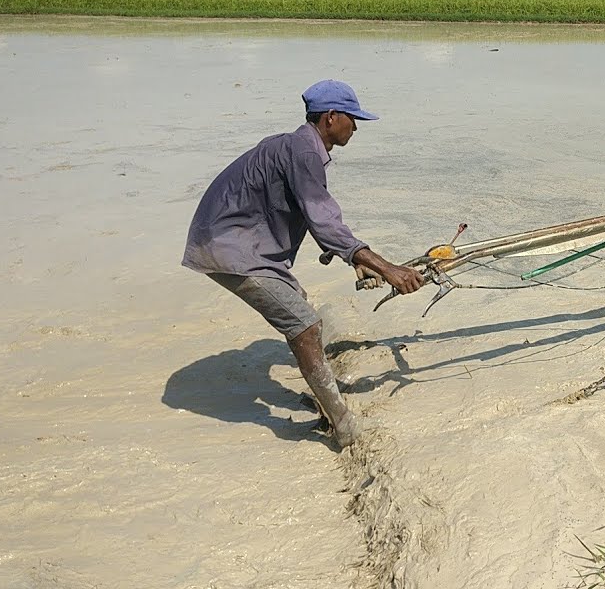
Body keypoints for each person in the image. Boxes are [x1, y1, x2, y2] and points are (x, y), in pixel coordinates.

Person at [182, 79, 424, 449]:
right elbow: (325, 221)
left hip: (239, 243)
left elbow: (306, 212)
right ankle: (343, 426)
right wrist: (388, 268)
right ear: (331, 118)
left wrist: (353, 259)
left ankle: (326, 407)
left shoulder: (296, 146)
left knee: (298, 301)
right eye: (352, 119)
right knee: (304, 325)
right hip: (229, 248)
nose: (355, 127)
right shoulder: (304, 152)